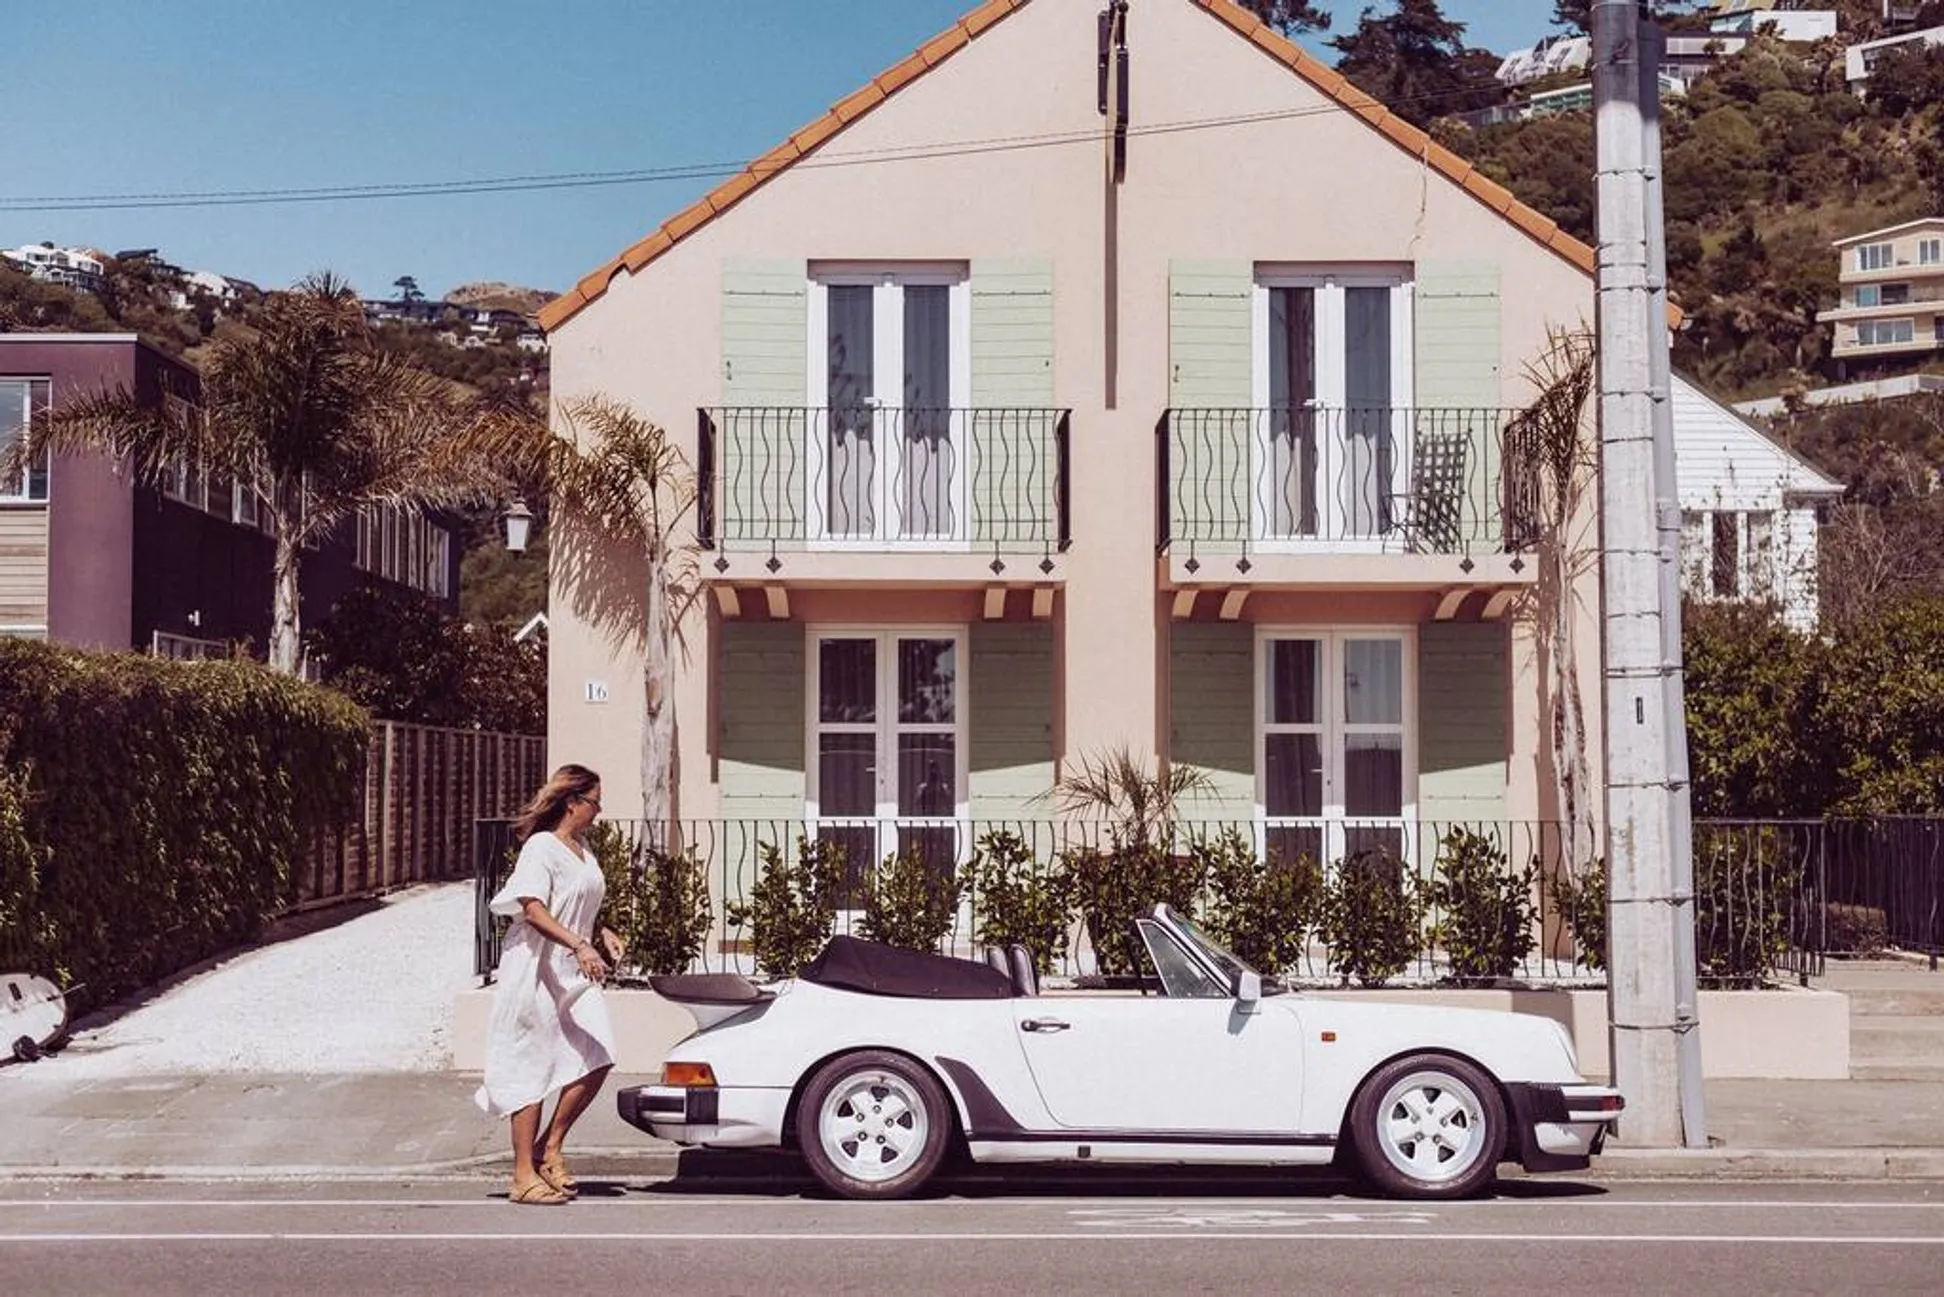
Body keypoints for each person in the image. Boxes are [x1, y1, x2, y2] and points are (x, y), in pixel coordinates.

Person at [474, 763, 625, 1205]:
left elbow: (577, 902)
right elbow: (534, 910)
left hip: (571, 969)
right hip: (535, 968)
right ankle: (523, 1176)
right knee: (532, 1068)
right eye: (595, 802)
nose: (599, 811)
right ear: (573, 802)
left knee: (598, 1055)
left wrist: (603, 931)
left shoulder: (582, 848)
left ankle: (549, 1148)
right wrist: (581, 944)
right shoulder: (541, 847)